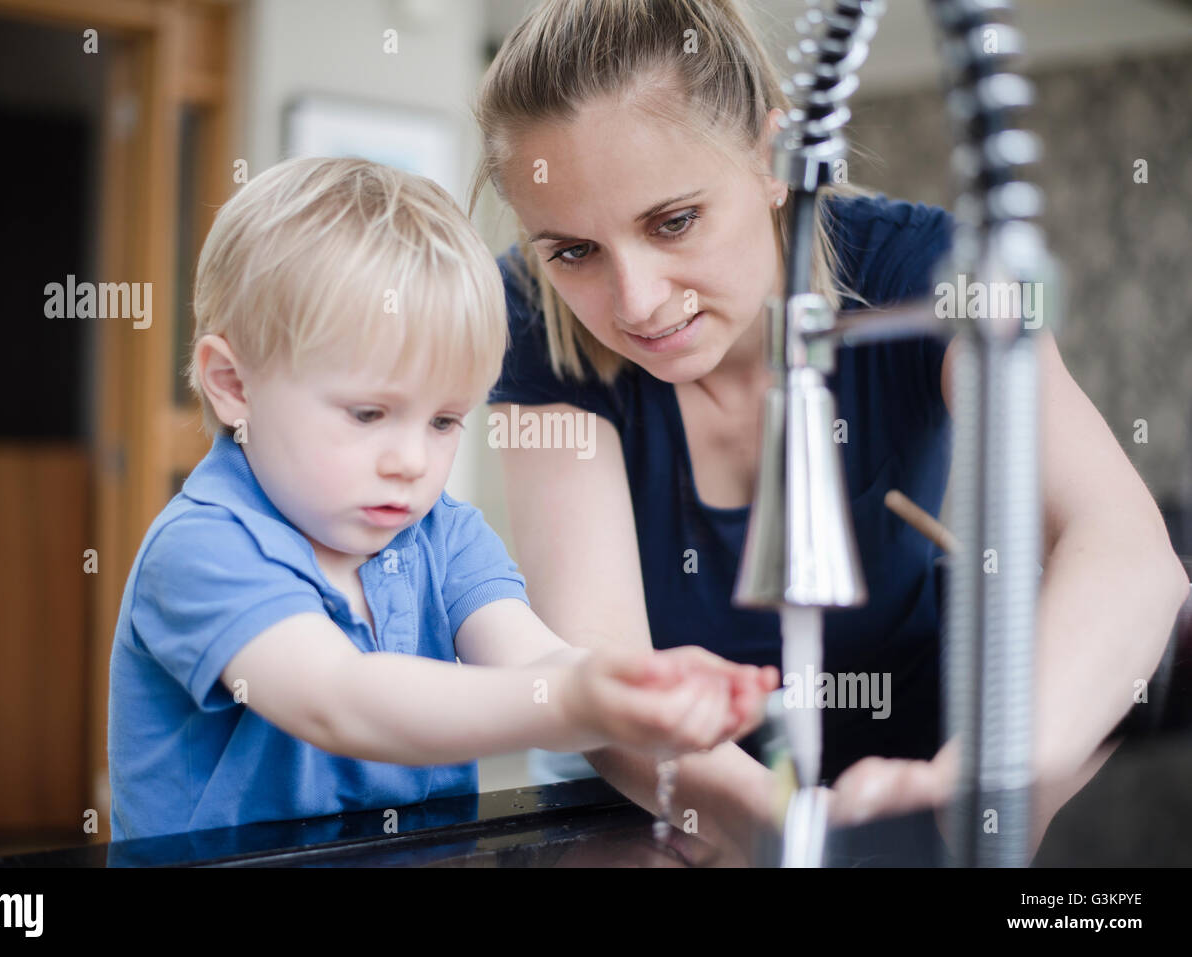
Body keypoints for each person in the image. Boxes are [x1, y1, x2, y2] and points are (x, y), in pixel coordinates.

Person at [471, 0, 1189, 859]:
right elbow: (605, 666)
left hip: (916, 756)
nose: (636, 302)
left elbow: (1129, 553)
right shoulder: (532, 316)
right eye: (574, 252)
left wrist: (990, 775)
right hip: (664, 809)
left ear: (778, 160)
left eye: (674, 222)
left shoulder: (917, 268)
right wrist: (770, 823)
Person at [106, 156, 779, 841]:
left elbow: (537, 660)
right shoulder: (204, 547)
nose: (412, 462)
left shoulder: (444, 534)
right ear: (234, 385)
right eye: (368, 414)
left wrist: (632, 685)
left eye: (444, 421)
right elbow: (340, 700)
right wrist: (580, 702)